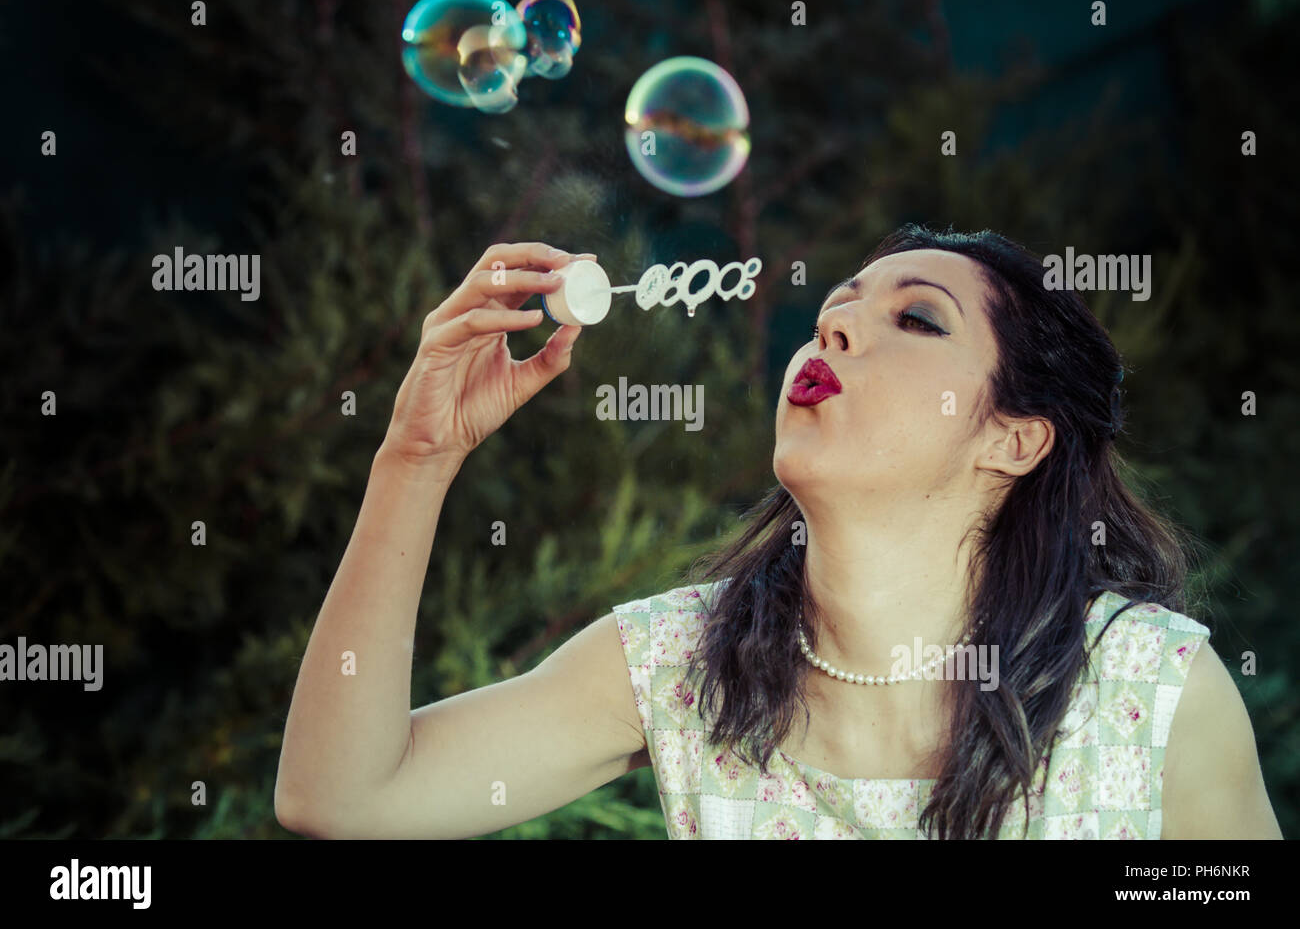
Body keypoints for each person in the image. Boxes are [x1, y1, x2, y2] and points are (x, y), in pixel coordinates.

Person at [274, 228, 1282, 839]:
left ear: (1013, 438)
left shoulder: (1150, 694)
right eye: (835, 308)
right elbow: (343, 797)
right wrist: (415, 456)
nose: (832, 328)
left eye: (917, 320)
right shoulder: (678, 663)